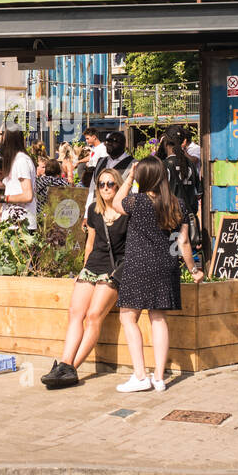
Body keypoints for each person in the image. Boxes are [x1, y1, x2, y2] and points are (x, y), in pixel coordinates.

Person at [113, 157, 203, 393]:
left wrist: (129, 176)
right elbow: (183, 242)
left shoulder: (137, 201)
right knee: (159, 318)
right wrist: (194, 269)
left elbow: (115, 203)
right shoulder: (178, 204)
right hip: (166, 266)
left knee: (127, 317)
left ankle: (141, 376)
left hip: (138, 265)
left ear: (144, 178)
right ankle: (160, 378)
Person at [41, 168, 128, 389]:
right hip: (93, 266)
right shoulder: (94, 210)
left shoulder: (128, 213)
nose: (106, 188)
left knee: (93, 315)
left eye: (110, 184)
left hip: (114, 269)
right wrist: (83, 269)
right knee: (75, 313)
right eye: (102, 184)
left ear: (118, 186)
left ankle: (70, 369)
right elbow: (90, 243)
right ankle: (65, 364)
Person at [157, 131, 203, 259]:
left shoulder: (164, 165)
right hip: (189, 215)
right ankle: (192, 272)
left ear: (165, 144)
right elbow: (198, 193)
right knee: (190, 253)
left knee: (174, 255)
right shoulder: (190, 165)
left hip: (171, 217)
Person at [0, 128, 37, 229]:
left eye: (2, 134)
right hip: (14, 224)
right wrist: (3, 210)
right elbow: (15, 189)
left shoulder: (21, 161)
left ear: (10, 137)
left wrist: (0, 198)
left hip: (21, 227)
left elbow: (27, 196)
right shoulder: (16, 159)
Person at [35, 158, 70, 224]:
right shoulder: (63, 183)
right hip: (58, 215)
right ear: (58, 170)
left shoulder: (40, 181)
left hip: (41, 214)